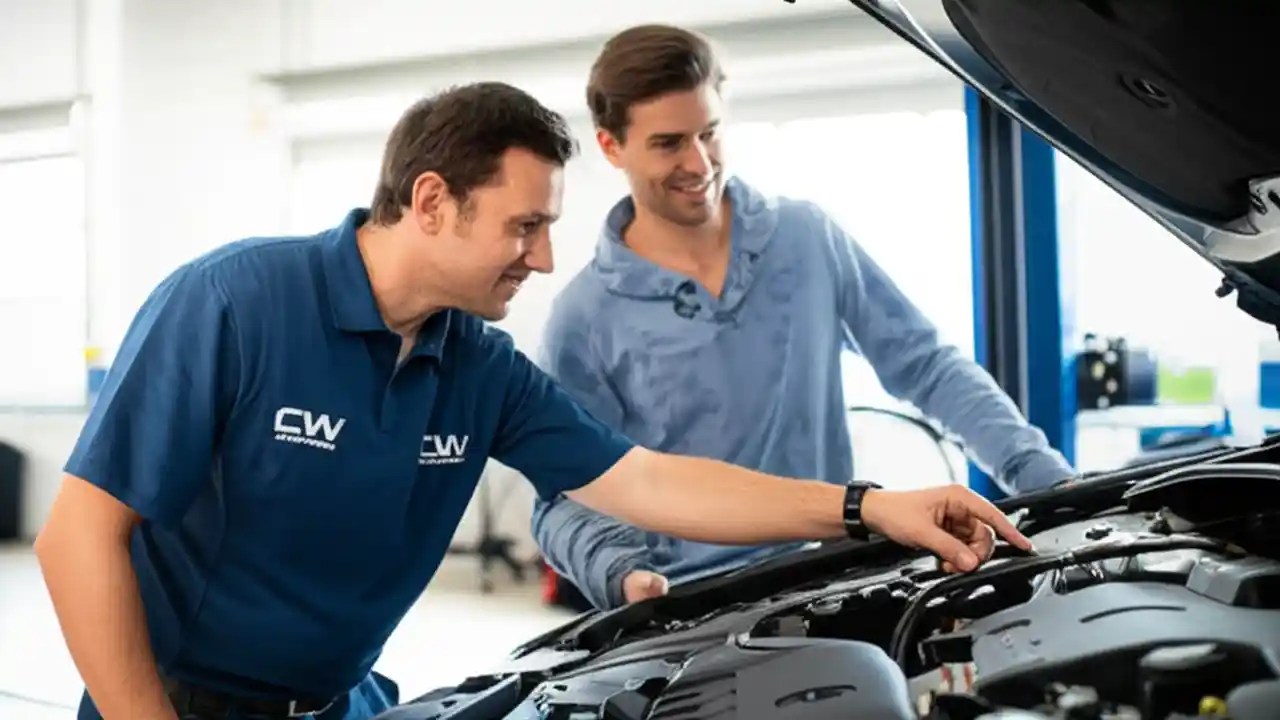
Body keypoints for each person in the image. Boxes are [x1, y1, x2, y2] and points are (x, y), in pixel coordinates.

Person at [34, 81, 1030, 720]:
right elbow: (78, 535)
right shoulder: (235, 302)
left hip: (340, 705)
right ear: (430, 202)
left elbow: (644, 481)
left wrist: (863, 507)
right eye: (521, 227)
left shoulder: (479, 366)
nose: (544, 258)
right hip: (172, 704)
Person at [531, 24, 1075, 611]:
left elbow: (928, 367)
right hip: (696, 605)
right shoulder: (584, 317)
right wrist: (621, 573)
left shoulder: (805, 237)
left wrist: (1046, 481)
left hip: (836, 569)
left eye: (709, 133)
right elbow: (566, 492)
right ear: (612, 147)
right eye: (668, 143)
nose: (699, 162)